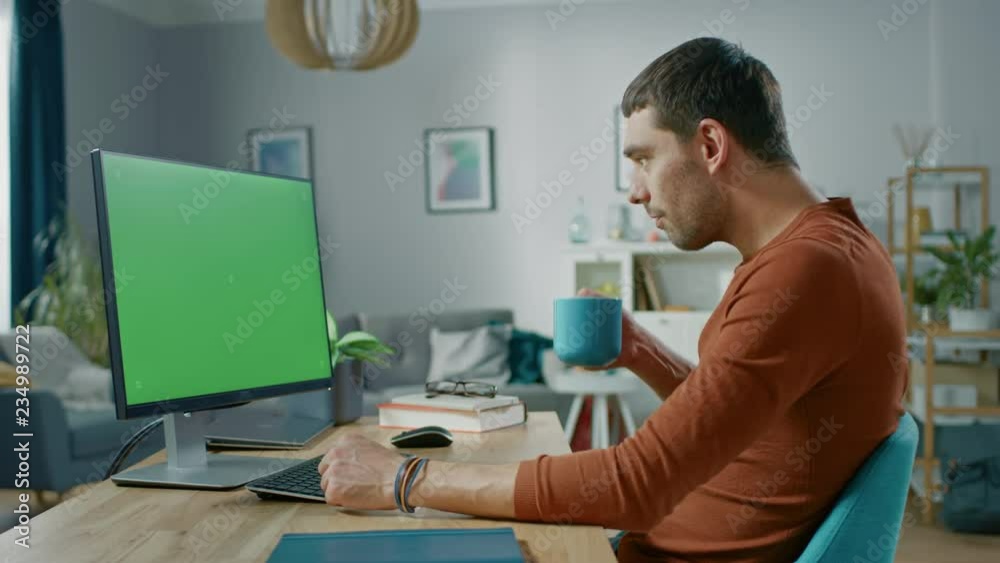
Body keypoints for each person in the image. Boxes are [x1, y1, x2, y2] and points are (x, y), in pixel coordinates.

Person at [317, 37, 908, 562]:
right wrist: (643, 351)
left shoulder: (807, 269)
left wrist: (405, 478)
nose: (635, 192)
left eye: (644, 159)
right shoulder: (827, 250)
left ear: (709, 145)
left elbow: (636, 484)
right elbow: (734, 428)